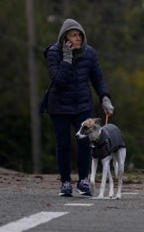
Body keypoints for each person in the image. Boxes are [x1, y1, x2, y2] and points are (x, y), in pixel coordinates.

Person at [44, 18, 114, 197]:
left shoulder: (89, 53)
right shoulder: (53, 53)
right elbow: (59, 80)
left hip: (82, 104)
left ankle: (83, 180)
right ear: (64, 38)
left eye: (79, 35)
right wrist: (67, 58)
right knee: (63, 144)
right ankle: (65, 182)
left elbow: (97, 78)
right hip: (59, 106)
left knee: (85, 143)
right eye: (73, 35)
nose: (78, 39)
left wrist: (105, 98)